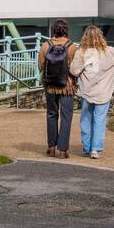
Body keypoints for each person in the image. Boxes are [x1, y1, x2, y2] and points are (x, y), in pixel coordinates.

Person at [69, 25, 114, 160]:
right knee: (99, 120)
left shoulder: (81, 53)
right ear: (100, 36)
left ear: (85, 37)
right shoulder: (109, 52)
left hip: (87, 91)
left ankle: (87, 147)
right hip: (103, 92)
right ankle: (95, 149)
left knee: (86, 119)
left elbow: (74, 71)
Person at [38, 19, 78, 158]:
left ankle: (51, 147)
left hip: (50, 86)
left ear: (53, 30)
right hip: (66, 86)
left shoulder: (45, 45)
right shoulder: (72, 47)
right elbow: (75, 69)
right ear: (67, 30)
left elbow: (41, 67)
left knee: (51, 114)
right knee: (66, 117)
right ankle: (63, 150)